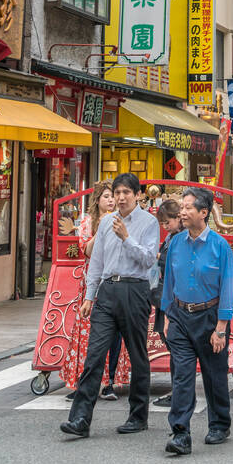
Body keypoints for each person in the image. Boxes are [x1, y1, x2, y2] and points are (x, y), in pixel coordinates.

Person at [60, 173, 159, 440]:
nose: (121, 197)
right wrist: (89, 297)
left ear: (138, 195)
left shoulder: (149, 222)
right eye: (117, 192)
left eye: (127, 192)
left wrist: (127, 237)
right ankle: (80, 418)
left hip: (135, 290)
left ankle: (138, 416)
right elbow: (97, 262)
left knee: (138, 355)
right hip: (107, 291)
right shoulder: (105, 224)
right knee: (94, 355)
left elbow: (149, 259)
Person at [160, 187, 233, 455]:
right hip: (180, 316)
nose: (182, 211)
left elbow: (227, 286)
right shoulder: (176, 243)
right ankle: (180, 432)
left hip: (209, 317)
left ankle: (219, 423)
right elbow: (169, 280)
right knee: (181, 374)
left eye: (188, 206)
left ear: (204, 213)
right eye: (182, 206)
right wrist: (168, 314)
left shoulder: (220, 246)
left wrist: (221, 327)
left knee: (214, 373)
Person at [62, 183, 116, 397]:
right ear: (97, 200)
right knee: (87, 331)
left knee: (114, 333)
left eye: (113, 196)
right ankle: (85, 381)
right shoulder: (87, 222)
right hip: (92, 281)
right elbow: (86, 251)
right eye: (106, 196)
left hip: (114, 279)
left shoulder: (120, 221)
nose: (110, 200)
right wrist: (100, 229)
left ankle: (109, 380)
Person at [151, 197, 182, 409]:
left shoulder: (179, 239)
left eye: (167, 221)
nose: (165, 226)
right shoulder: (171, 237)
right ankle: (177, 391)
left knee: (177, 349)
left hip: (171, 300)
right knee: (174, 348)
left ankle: (178, 392)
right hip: (164, 298)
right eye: (162, 223)